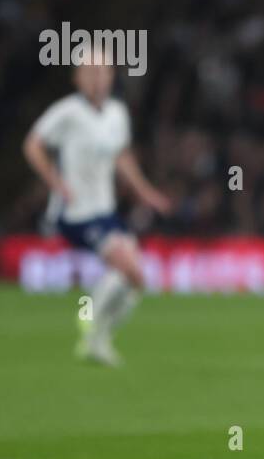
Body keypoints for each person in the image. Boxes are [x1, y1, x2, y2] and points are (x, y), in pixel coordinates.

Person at [23, 50, 171, 365]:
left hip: (105, 211)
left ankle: (98, 337)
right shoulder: (67, 112)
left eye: (102, 71)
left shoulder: (117, 113)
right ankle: (90, 321)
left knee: (137, 279)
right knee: (127, 267)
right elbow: (32, 144)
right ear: (77, 78)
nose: (96, 78)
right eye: (89, 72)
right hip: (74, 212)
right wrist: (54, 181)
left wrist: (145, 192)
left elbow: (122, 157)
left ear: (111, 76)